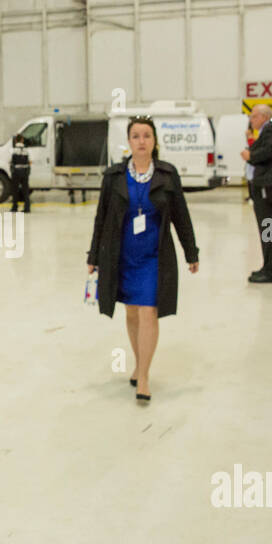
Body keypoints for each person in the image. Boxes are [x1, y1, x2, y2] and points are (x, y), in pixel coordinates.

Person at [86, 118, 199, 403]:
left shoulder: (167, 174)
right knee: (132, 312)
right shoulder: (113, 176)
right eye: (135, 136)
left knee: (149, 310)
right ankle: (138, 362)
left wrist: (191, 252)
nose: (141, 141)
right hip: (122, 255)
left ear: (154, 141)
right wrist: (93, 256)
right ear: (129, 142)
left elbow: (180, 216)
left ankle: (144, 376)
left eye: (146, 135)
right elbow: (101, 218)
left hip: (153, 256)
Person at [239, 104, 272, 283]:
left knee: (269, 232)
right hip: (264, 191)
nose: (251, 120)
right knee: (268, 232)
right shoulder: (267, 132)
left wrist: (251, 156)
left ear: (263, 117)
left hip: (267, 193)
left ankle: (271, 272)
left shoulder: (270, 132)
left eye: (253, 117)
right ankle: (268, 267)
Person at [10, 135, 31, 213]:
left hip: (16, 171)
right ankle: (27, 207)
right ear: (22, 140)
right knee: (25, 189)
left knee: (15, 190)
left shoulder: (12, 150)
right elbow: (30, 160)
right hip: (25, 171)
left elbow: (9, 160)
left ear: (15, 140)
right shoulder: (26, 150)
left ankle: (15, 207)